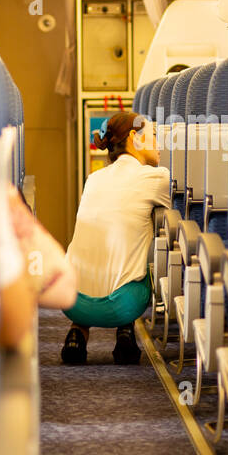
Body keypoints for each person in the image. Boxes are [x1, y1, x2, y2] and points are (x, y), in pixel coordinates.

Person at [61, 111, 170, 365]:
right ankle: (125, 329)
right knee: (146, 250)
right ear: (135, 138)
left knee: (102, 244)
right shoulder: (156, 177)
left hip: (70, 298)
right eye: (153, 136)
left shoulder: (93, 179)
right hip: (124, 305)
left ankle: (78, 332)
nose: (158, 143)